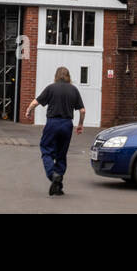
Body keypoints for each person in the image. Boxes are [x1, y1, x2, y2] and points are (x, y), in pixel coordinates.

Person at [24, 67, 85, 196]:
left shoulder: (51, 88)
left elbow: (35, 102)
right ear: (68, 76)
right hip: (67, 124)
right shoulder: (74, 90)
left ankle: (53, 175)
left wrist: (29, 111)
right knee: (61, 155)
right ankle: (58, 187)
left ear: (56, 76)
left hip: (52, 123)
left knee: (46, 150)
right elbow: (82, 110)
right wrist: (80, 125)